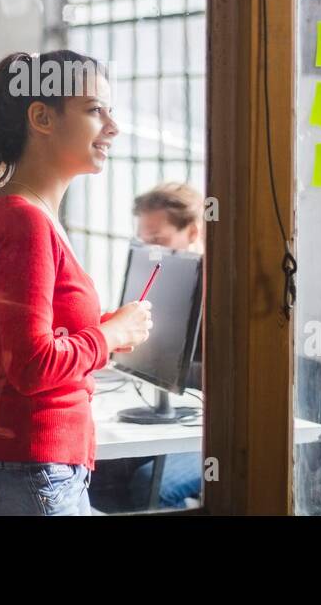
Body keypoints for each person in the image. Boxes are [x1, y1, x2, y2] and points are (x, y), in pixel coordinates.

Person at [0, 49, 153, 515]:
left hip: (33, 471)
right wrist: (109, 335)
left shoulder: (21, 214)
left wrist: (106, 329)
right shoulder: (25, 222)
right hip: (32, 470)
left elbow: (35, 342)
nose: (112, 127)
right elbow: (31, 366)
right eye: (93, 111)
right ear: (41, 117)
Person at [125, 183, 205, 510]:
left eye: (158, 241)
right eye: (143, 242)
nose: (149, 252)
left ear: (193, 231)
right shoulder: (159, 279)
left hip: (215, 433)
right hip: (180, 416)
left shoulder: (218, 289)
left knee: (150, 483)